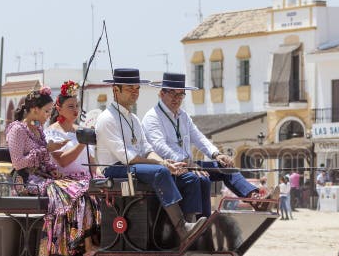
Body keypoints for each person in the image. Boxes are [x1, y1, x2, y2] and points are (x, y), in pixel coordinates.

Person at [142, 72, 277, 218]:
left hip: (188, 164)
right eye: (173, 94)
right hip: (168, 168)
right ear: (161, 94)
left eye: (181, 95)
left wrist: (216, 154)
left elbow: (199, 137)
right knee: (202, 177)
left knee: (225, 168)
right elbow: (160, 146)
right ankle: (198, 220)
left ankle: (255, 199)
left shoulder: (183, 116)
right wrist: (188, 162)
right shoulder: (152, 117)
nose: (177, 99)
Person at [95, 68, 206, 245]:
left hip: (134, 166)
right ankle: (182, 228)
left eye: (137, 88)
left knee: (189, 178)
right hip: (115, 169)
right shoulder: (107, 119)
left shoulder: (133, 119)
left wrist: (164, 161)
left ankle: (193, 230)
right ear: (116, 90)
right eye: (130, 88)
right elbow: (129, 158)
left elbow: (146, 149)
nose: (135, 92)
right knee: (160, 172)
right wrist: (161, 165)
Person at [6, 86, 98, 256]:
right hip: (25, 180)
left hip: (42, 177)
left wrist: (52, 169)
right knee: (74, 192)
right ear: (34, 110)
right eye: (47, 111)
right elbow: (18, 162)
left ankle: (81, 246)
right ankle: (72, 249)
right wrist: (46, 150)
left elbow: (45, 159)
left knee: (83, 188)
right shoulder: (17, 129)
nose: (49, 115)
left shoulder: (38, 129)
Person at [45, 80, 94, 179]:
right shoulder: (52, 132)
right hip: (66, 180)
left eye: (77, 106)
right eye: (71, 106)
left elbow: (92, 164)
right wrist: (82, 142)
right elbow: (62, 161)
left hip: (88, 179)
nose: (75, 110)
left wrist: (101, 177)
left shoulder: (81, 130)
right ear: (59, 109)